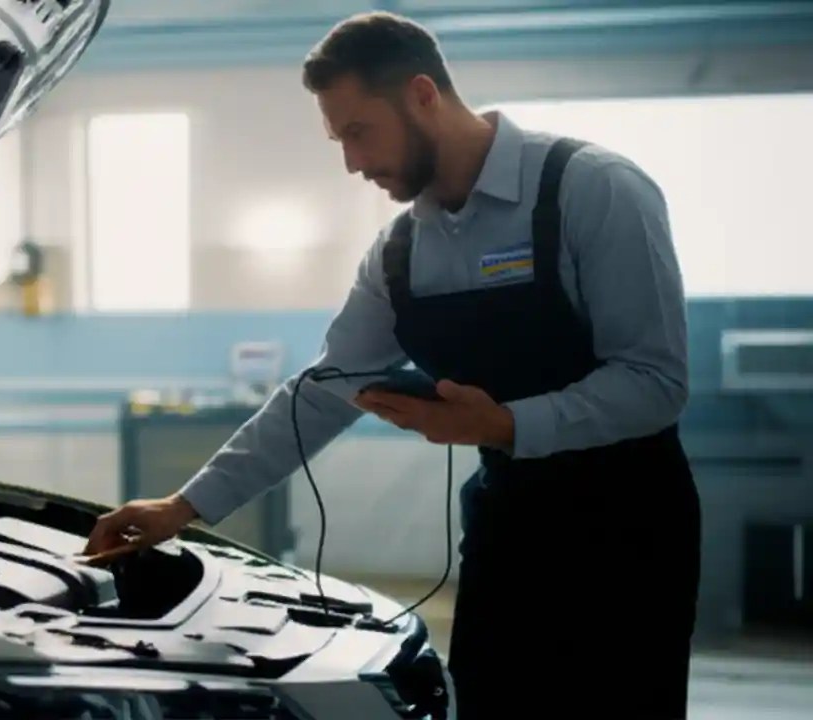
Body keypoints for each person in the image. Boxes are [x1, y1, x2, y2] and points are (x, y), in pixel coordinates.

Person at [83, 11, 701, 719]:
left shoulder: (594, 190)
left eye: (357, 131)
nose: (350, 162)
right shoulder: (400, 252)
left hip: (630, 531)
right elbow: (322, 391)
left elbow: (656, 383)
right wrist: (183, 507)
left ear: (422, 96)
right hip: (510, 527)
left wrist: (502, 423)